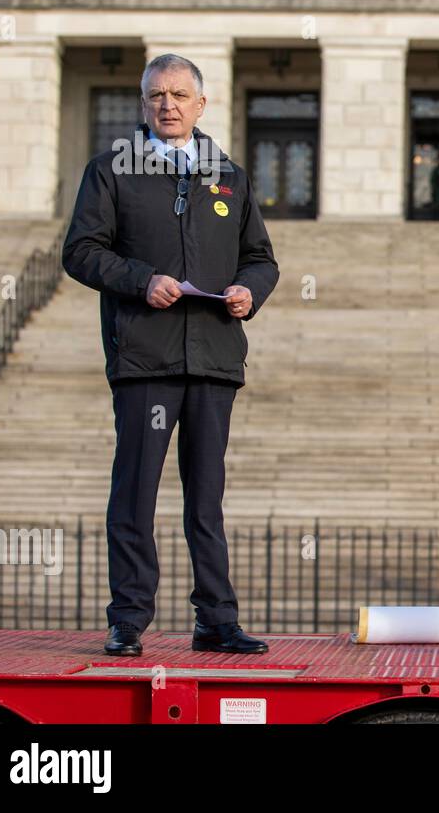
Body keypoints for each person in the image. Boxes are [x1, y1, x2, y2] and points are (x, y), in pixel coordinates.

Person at [62, 53, 279, 658]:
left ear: (201, 105)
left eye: (180, 95)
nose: (168, 105)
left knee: (205, 497)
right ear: (143, 104)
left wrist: (247, 292)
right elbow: (80, 251)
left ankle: (216, 620)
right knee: (135, 492)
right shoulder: (110, 171)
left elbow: (261, 257)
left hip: (212, 358)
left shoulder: (228, 175)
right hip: (146, 359)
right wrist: (140, 279)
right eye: (157, 95)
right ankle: (128, 619)